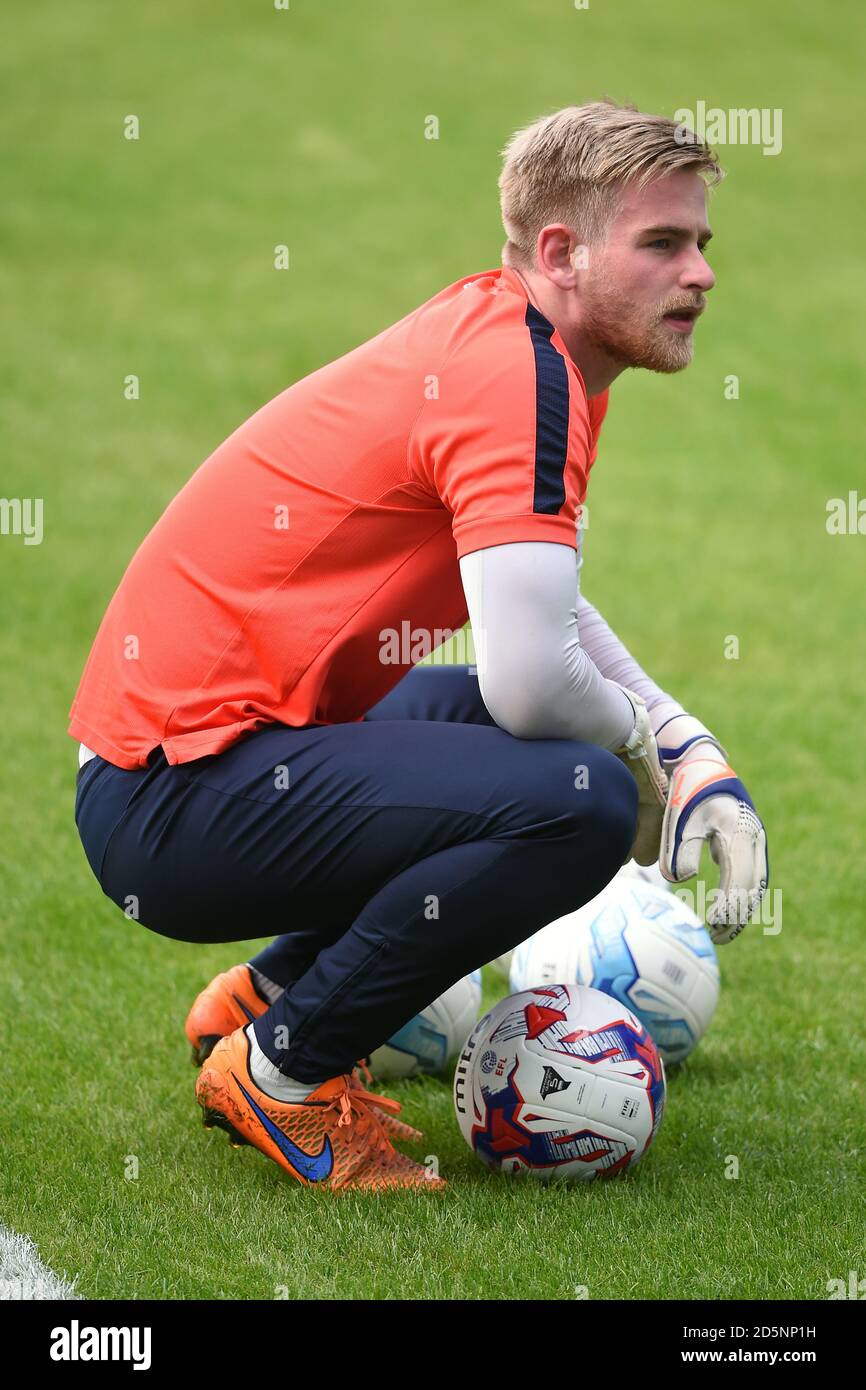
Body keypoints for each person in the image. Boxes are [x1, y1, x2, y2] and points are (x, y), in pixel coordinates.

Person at [70, 100, 768, 1192]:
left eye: (701, 243)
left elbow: (543, 603)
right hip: (167, 802)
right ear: (559, 253)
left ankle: (264, 1000)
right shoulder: (517, 376)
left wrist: (684, 747)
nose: (700, 273)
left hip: (186, 761)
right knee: (577, 796)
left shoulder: (523, 345)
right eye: (663, 243)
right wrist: (641, 762)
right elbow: (536, 678)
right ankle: (282, 1072)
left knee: (521, 748)